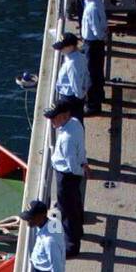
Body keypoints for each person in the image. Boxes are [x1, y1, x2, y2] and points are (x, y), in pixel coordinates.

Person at [46, 99, 89, 256]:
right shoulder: (76, 123)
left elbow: (71, 165)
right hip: (74, 175)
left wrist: (81, 171)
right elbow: (81, 150)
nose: (51, 121)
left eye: (54, 117)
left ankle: (71, 247)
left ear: (64, 116)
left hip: (66, 176)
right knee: (76, 202)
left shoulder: (66, 138)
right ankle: (79, 229)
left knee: (67, 211)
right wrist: (84, 165)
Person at [20, 198, 65, 272]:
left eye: (30, 218)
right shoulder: (53, 222)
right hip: (42, 268)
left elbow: (56, 264)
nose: (28, 221)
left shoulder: (49, 241)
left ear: (42, 216)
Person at [80, 0, 108, 115]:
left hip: (91, 43)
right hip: (97, 43)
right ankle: (100, 95)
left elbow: (96, 30)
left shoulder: (91, 8)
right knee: (98, 71)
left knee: (91, 74)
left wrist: (100, 37)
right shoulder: (96, 2)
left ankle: (92, 105)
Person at [53, 32, 88, 120]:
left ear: (71, 46)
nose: (60, 49)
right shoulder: (79, 56)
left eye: (62, 47)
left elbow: (76, 84)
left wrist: (80, 97)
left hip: (70, 98)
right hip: (73, 97)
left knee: (72, 122)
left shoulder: (72, 64)